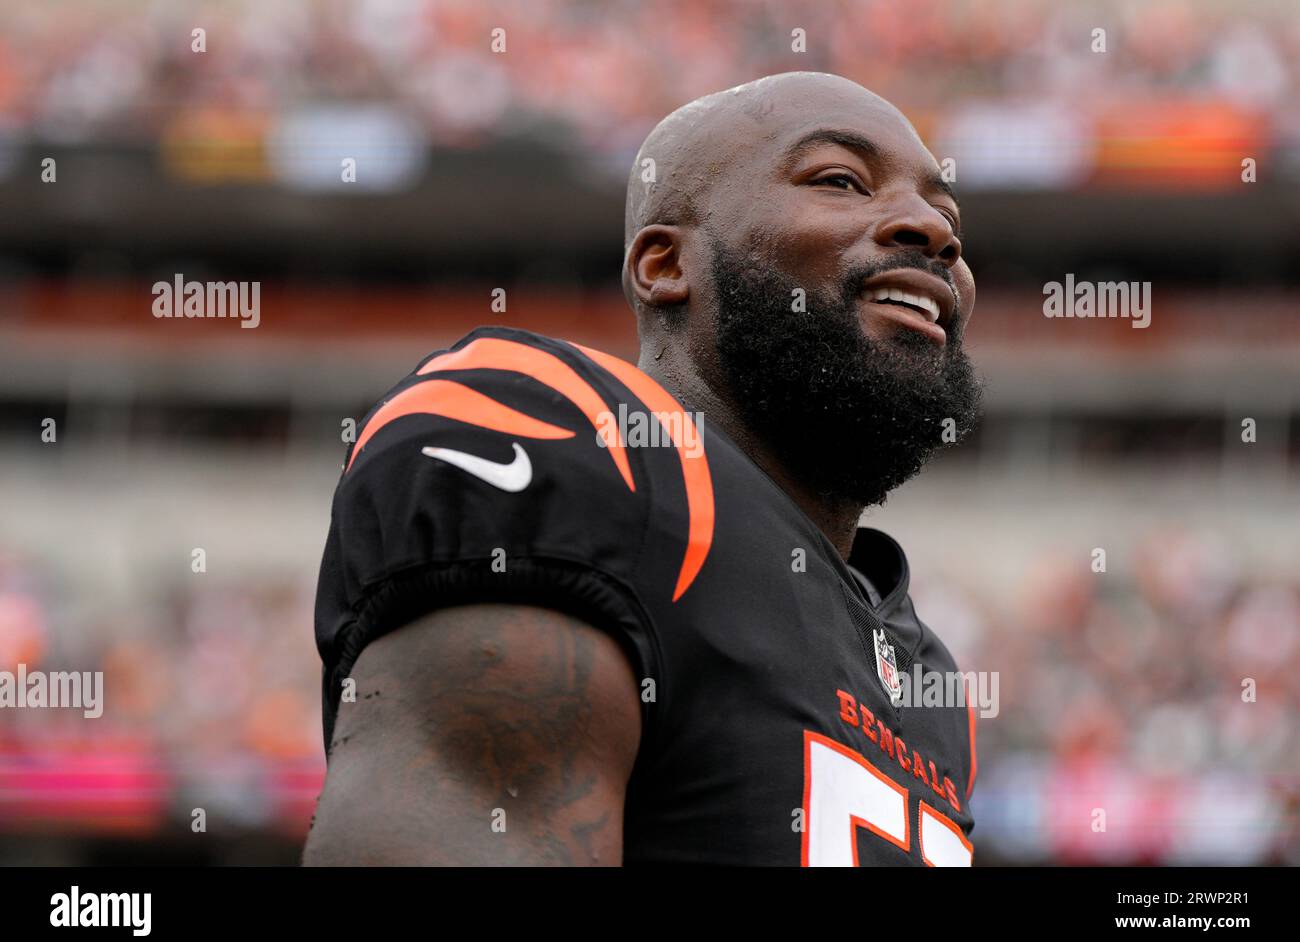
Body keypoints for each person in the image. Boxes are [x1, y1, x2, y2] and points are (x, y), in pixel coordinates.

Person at [305, 72, 983, 865]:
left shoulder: (923, 667)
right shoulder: (584, 445)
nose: (931, 230)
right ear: (665, 264)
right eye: (841, 180)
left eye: (946, 213)